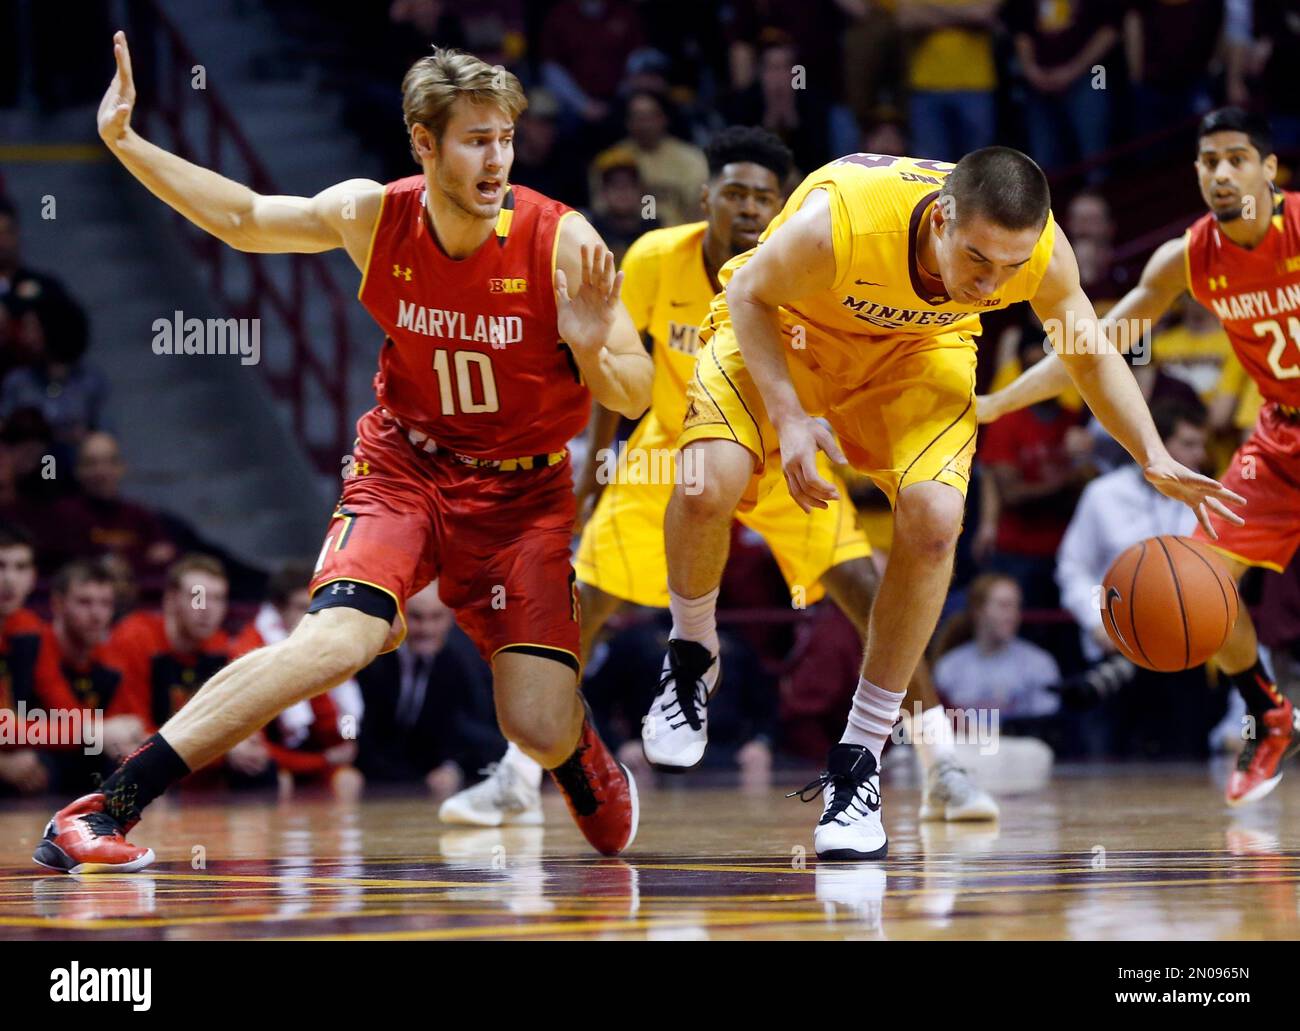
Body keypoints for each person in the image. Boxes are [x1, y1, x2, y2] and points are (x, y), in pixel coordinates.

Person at [34, 35, 652, 874]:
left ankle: (577, 750)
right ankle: (105, 807)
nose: (497, 157)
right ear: (424, 143)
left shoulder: (560, 242)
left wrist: (586, 343)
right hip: (406, 468)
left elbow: (637, 391)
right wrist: (126, 141)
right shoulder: (375, 214)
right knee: (332, 642)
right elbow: (245, 218)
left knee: (535, 724)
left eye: (506, 137)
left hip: (520, 497)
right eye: (476, 138)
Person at [646, 145, 1240, 861]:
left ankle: (859, 759)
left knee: (934, 521)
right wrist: (791, 416)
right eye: (977, 259)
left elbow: (1088, 353)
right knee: (708, 479)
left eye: (1009, 267)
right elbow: (748, 296)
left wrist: (1150, 453)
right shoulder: (844, 222)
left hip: (916, 354)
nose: (991, 281)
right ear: (944, 218)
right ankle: (690, 649)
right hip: (790, 330)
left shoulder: (1040, 256)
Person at [441, 126, 997, 827]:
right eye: (733, 192)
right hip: (674, 450)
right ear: (706, 197)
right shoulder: (650, 257)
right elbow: (617, 366)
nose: (748, 209)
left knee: (864, 586)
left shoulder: (812, 261)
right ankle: (519, 772)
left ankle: (942, 761)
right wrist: (593, 478)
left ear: (783, 207)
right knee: (581, 602)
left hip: (782, 446)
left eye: (764, 197)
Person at [979, 108, 1300, 806]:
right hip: (1281, 439)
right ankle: (1269, 711)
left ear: (1270, 170)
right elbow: (1089, 347)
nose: (1221, 172)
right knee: (1203, 580)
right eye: (1209, 160)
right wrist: (996, 404)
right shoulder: (1186, 257)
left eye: (1238, 158)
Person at [357, 583, 506, 797]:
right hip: (373, 776)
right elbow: (348, 720)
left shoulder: (469, 664)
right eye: (417, 617)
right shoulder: (369, 659)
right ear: (399, 616)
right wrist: (347, 756)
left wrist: (454, 766)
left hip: (438, 782)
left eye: (436, 617)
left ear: (451, 618)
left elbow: (483, 730)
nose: (427, 629)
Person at [932, 574, 1062, 721]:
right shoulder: (950, 666)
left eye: (1016, 606)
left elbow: (1047, 723)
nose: (1012, 615)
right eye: (1004, 606)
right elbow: (934, 721)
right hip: (963, 742)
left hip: (1022, 742)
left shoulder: (1039, 664)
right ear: (978, 611)